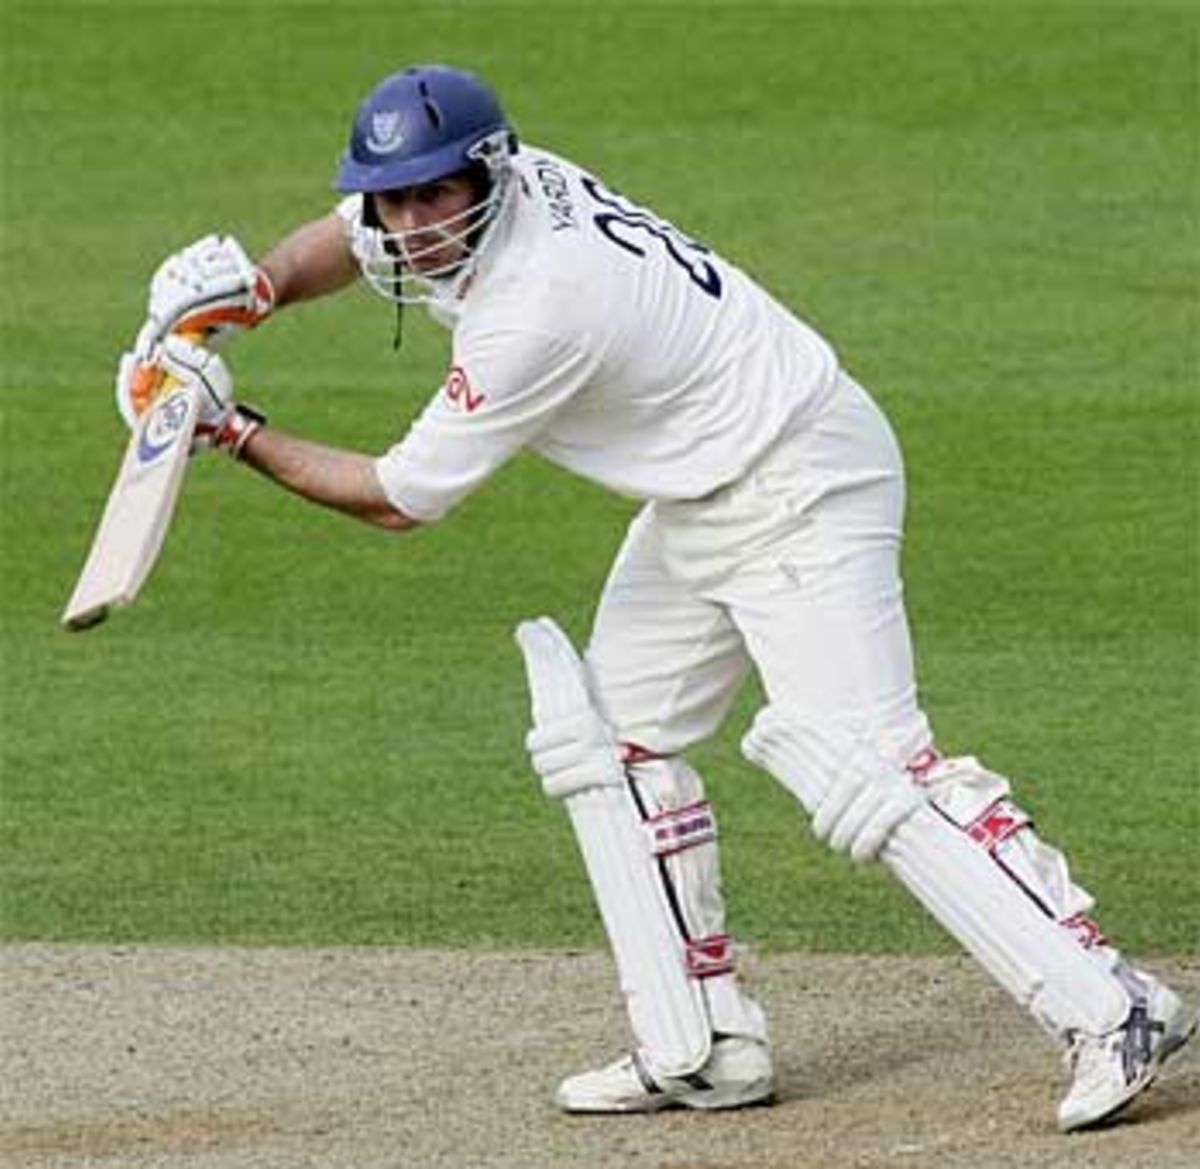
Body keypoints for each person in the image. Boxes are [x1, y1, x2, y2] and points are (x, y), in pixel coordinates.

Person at [115, 64, 1194, 1131]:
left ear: (484, 176)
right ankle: (705, 1042)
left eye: (432, 196)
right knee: (616, 742)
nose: (412, 224)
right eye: (394, 198)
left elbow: (400, 498)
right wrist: (250, 293)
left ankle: (1113, 1004)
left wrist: (230, 430)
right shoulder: (487, 184)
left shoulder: (538, 305)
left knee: (872, 766)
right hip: (702, 489)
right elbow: (343, 235)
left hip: (800, 476)